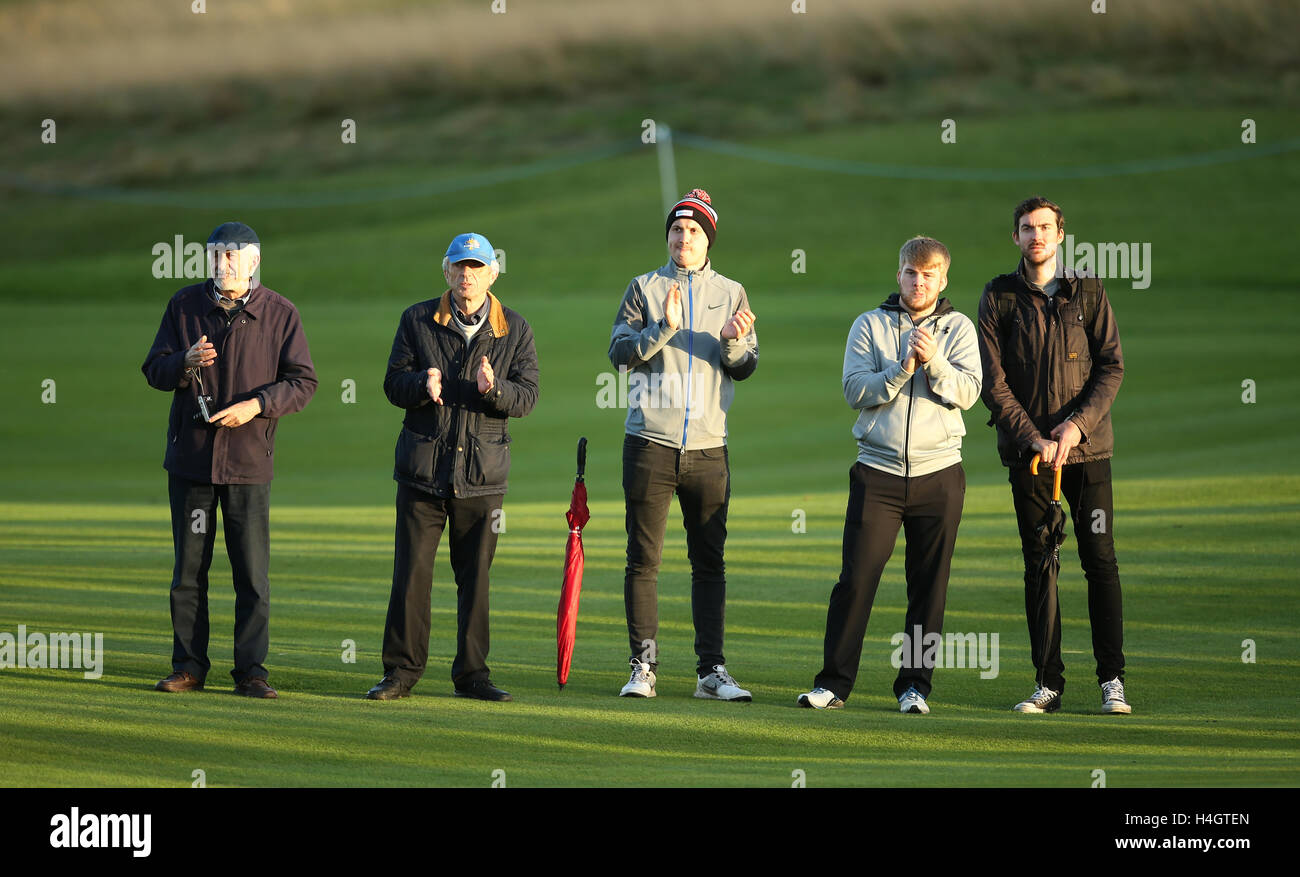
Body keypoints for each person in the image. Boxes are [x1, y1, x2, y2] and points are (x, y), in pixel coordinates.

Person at [798, 237, 981, 713]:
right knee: (856, 579)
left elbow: (968, 391)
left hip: (939, 474)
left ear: (943, 280)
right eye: (910, 273)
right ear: (898, 275)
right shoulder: (870, 324)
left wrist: (935, 361)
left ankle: (914, 687)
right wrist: (903, 369)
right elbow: (855, 390)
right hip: (877, 474)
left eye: (929, 275)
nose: (918, 282)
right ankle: (833, 684)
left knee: (928, 584)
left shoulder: (958, 327)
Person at [142, 221, 318, 698]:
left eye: (231, 257)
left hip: (248, 463)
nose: (222, 265)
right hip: (193, 462)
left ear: (253, 262)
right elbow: (154, 369)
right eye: (215, 256)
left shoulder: (280, 313)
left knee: (251, 574)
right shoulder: (184, 306)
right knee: (188, 573)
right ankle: (188, 668)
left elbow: (303, 382)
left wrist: (257, 404)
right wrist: (183, 362)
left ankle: (251, 673)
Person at [366, 233, 539, 703]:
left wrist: (494, 389)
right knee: (411, 576)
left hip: (482, 477)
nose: (467, 275)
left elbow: (527, 397)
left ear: (492, 273)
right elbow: (391, 384)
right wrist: (422, 383)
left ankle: (472, 676)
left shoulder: (515, 329)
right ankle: (400, 673)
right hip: (423, 473)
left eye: (476, 267)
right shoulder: (417, 320)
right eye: (459, 267)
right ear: (446, 271)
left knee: (476, 579)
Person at [977, 196, 1129, 715]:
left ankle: (1113, 682)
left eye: (1045, 227)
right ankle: (1048, 683)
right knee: (1040, 562)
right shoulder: (998, 297)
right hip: (1032, 457)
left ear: (1061, 235)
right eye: (1026, 228)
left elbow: (1111, 367)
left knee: (1099, 560)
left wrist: (1076, 427)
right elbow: (992, 383)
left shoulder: (1087, 290)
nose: (1036, 235)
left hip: (1088, 453)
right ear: (1015, 238)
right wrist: (1034, 438)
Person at [608, 188, 758, 701]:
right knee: (643, 561)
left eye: (694, 230)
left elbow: (746, 364)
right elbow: (620, 353)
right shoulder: (643, 287)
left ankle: (711, 673)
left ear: (707, 238)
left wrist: (735, 343)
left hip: (708, 449)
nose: (683, 237)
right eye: (676, 229)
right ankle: (643, 669)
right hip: (649, 442)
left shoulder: (732, 292)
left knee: (709, 562)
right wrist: (662, 329)